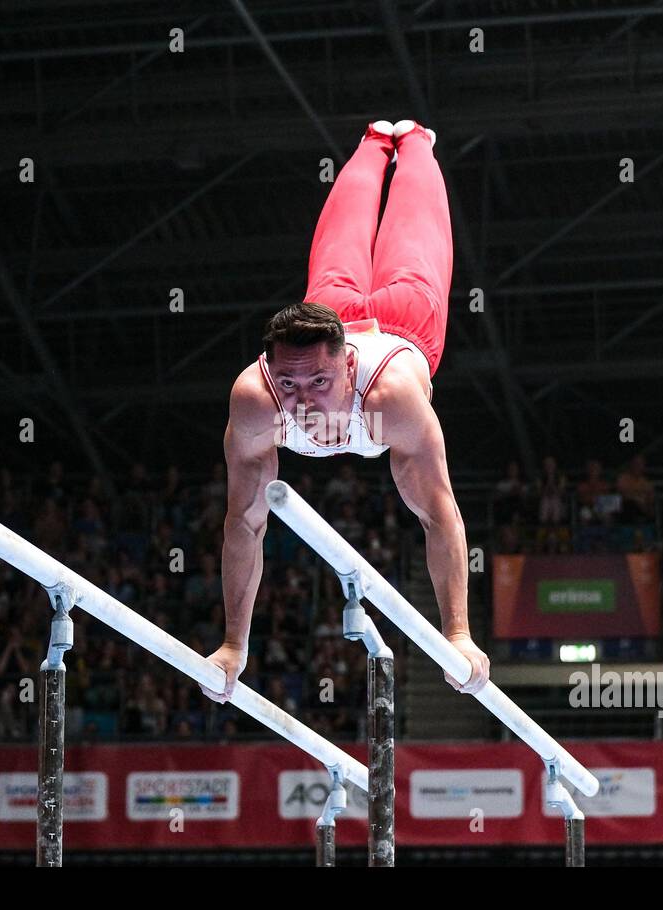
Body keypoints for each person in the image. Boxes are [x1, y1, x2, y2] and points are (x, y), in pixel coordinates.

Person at [204, 121, 490, 704]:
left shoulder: (393, 401)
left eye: (317, 380)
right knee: (342, 226)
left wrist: (457, 633)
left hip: (408, 320)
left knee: (416, 224)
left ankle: (414, 140)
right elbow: (245, 523)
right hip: (333, 311)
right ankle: (371, 141)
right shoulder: (257, 402)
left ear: (349, 366)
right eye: (288, 379)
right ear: (269, 365)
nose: (301, 395)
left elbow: (439, 516)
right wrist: (235, 645)